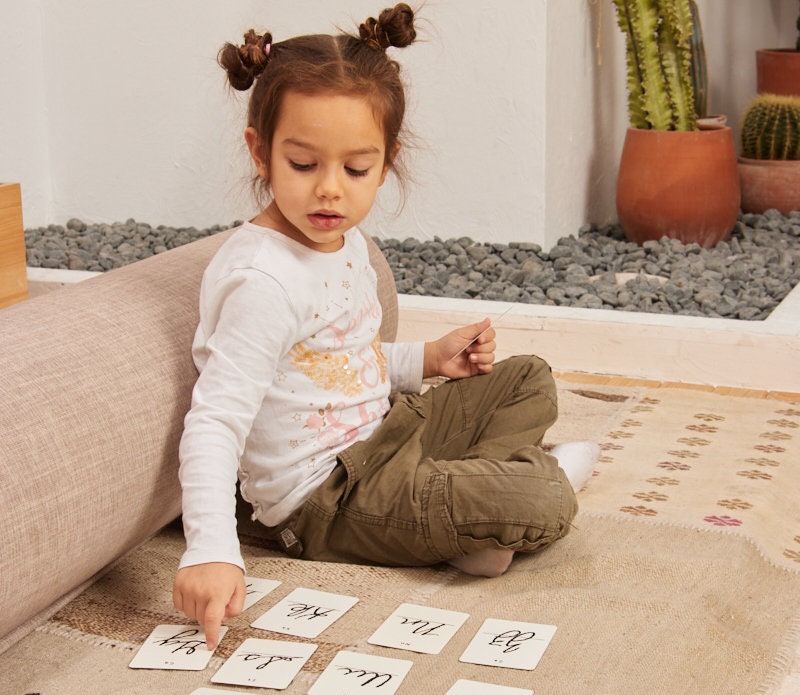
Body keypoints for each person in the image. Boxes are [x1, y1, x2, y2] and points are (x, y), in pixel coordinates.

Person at [173, 3, 600, 649]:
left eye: (355, 170)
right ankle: (480, 510)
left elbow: (343, 361)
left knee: (527, 379)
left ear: (387, 161)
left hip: (390, 431)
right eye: (303, 164)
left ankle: (462, 517)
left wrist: (426, 360)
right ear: (260, 152)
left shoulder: (345, 241)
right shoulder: (262, 280)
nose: (330, 191)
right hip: (330, 498)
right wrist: (209, 548)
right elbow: (215, 419)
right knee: (547, 499)